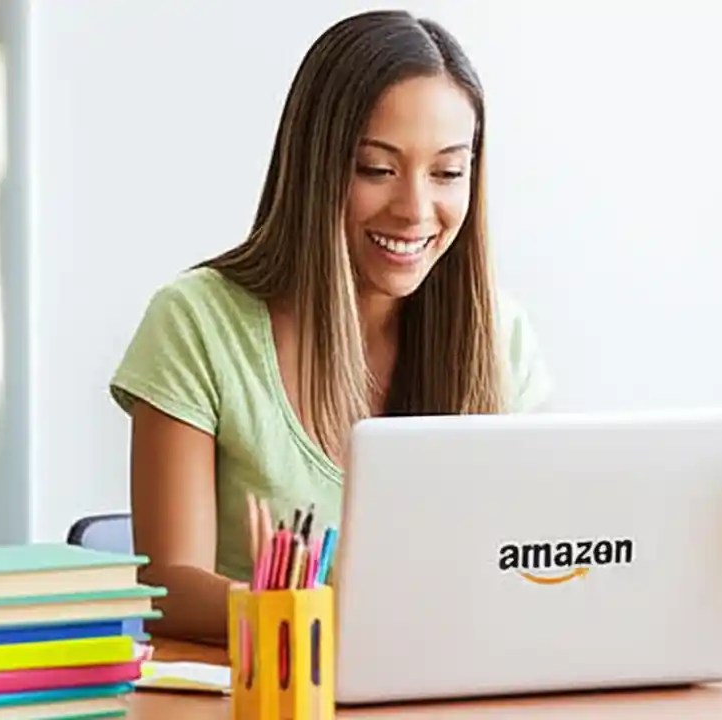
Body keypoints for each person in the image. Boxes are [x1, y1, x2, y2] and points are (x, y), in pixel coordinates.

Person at [108, 9, 552, 645]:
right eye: (377, 168)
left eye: (448, 172)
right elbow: (170, 589)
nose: (415, 210)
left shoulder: (500, 335)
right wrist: (332, 621)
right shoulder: (197, 322)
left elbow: (529, 560)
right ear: (317, 168)